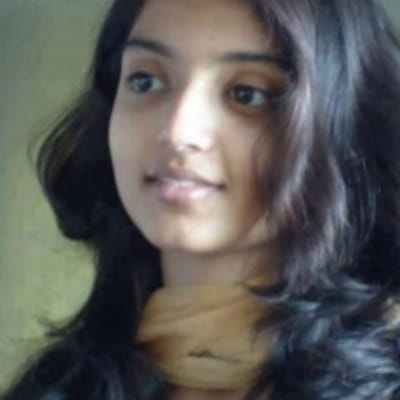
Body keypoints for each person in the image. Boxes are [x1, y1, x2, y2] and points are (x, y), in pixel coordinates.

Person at [3, 0, 400, 399]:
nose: (177, 131)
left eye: (247, 94)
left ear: (344, 130)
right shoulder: (54, 388)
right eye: (145, 81)